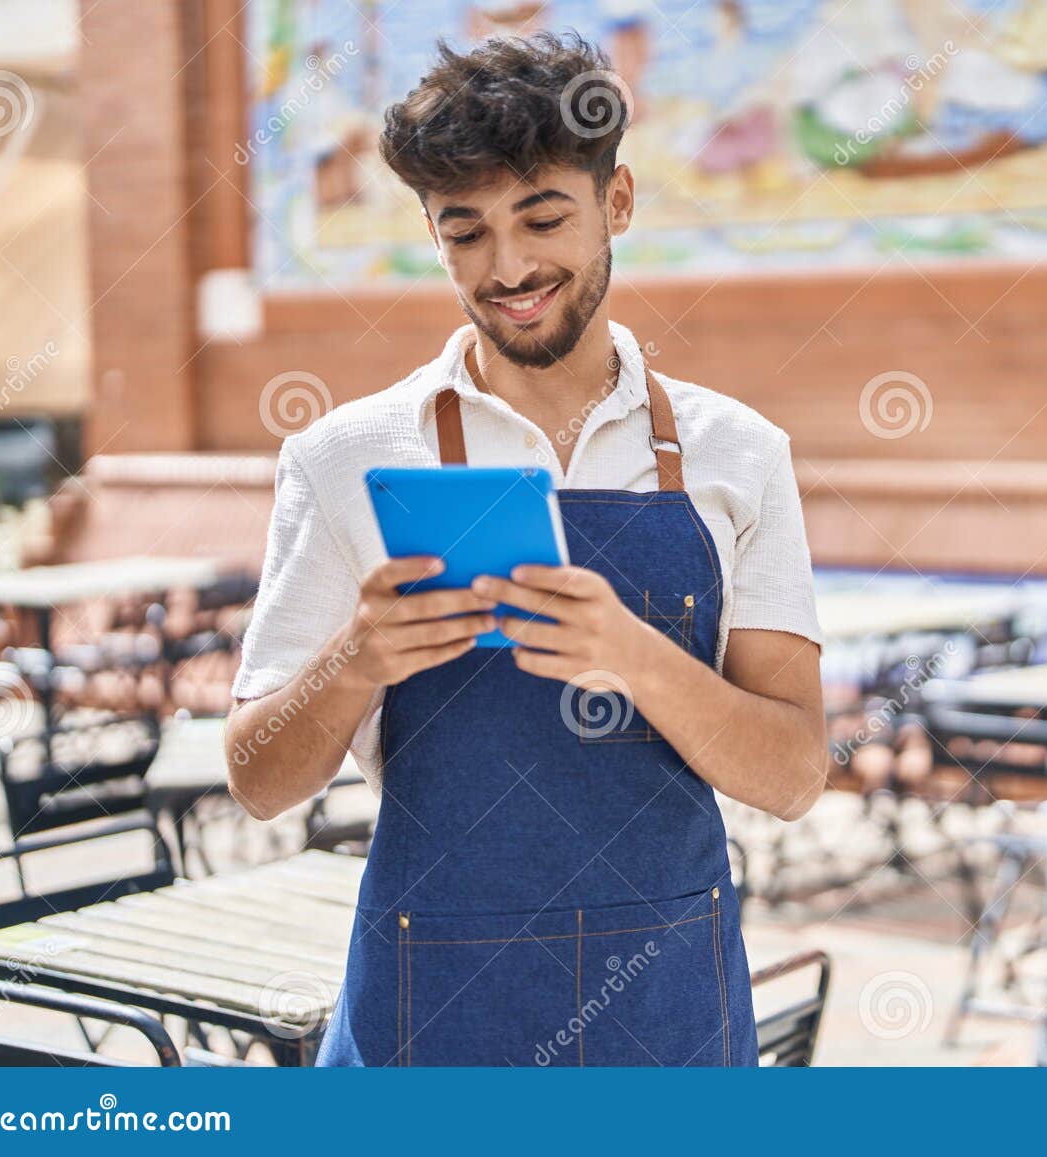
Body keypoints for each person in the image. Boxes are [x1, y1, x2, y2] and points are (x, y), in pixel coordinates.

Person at [225, 32, 828, 1067]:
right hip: (431, 999)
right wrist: (355, 659)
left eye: (543, 218)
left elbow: (793, 774)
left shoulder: (739, 453)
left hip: (666, 998)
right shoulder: (344, 456)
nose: (508, 269)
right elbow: (257, 780)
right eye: (466, 233)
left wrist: (635, 656)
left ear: (618, 202)